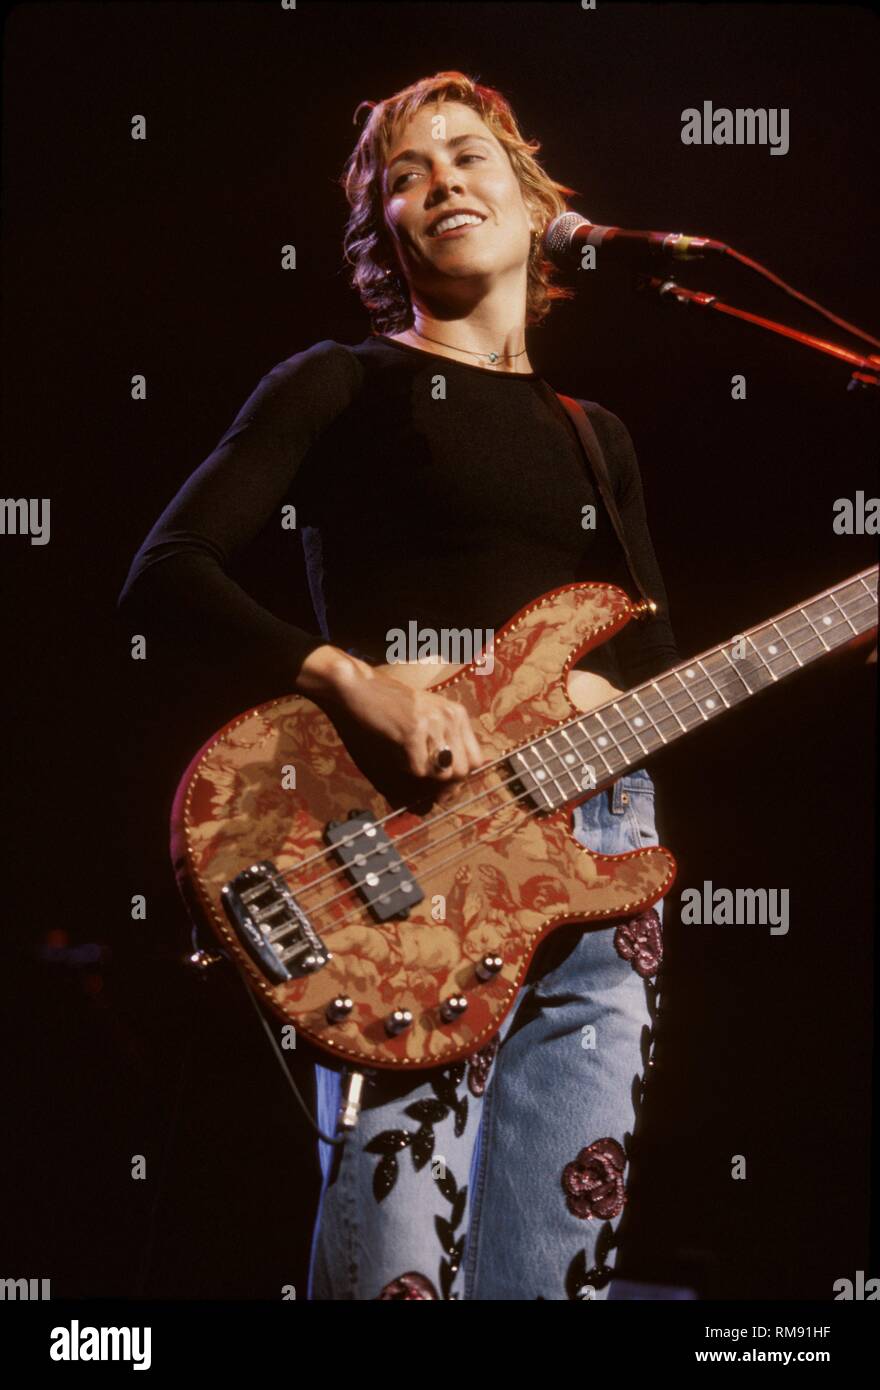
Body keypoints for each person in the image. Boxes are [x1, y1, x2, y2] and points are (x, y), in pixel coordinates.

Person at [118, 70, 680, 1301]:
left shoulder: (598, 433)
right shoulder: (342, 380)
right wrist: (348, 678)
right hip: (405, 848)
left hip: (596, 845)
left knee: (561, 1250)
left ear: (535, 205)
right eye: (405, 176)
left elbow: (648, 659)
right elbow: (166, 570)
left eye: (468, 157)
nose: (440, 184)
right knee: (399, 1259)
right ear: (383, 234)